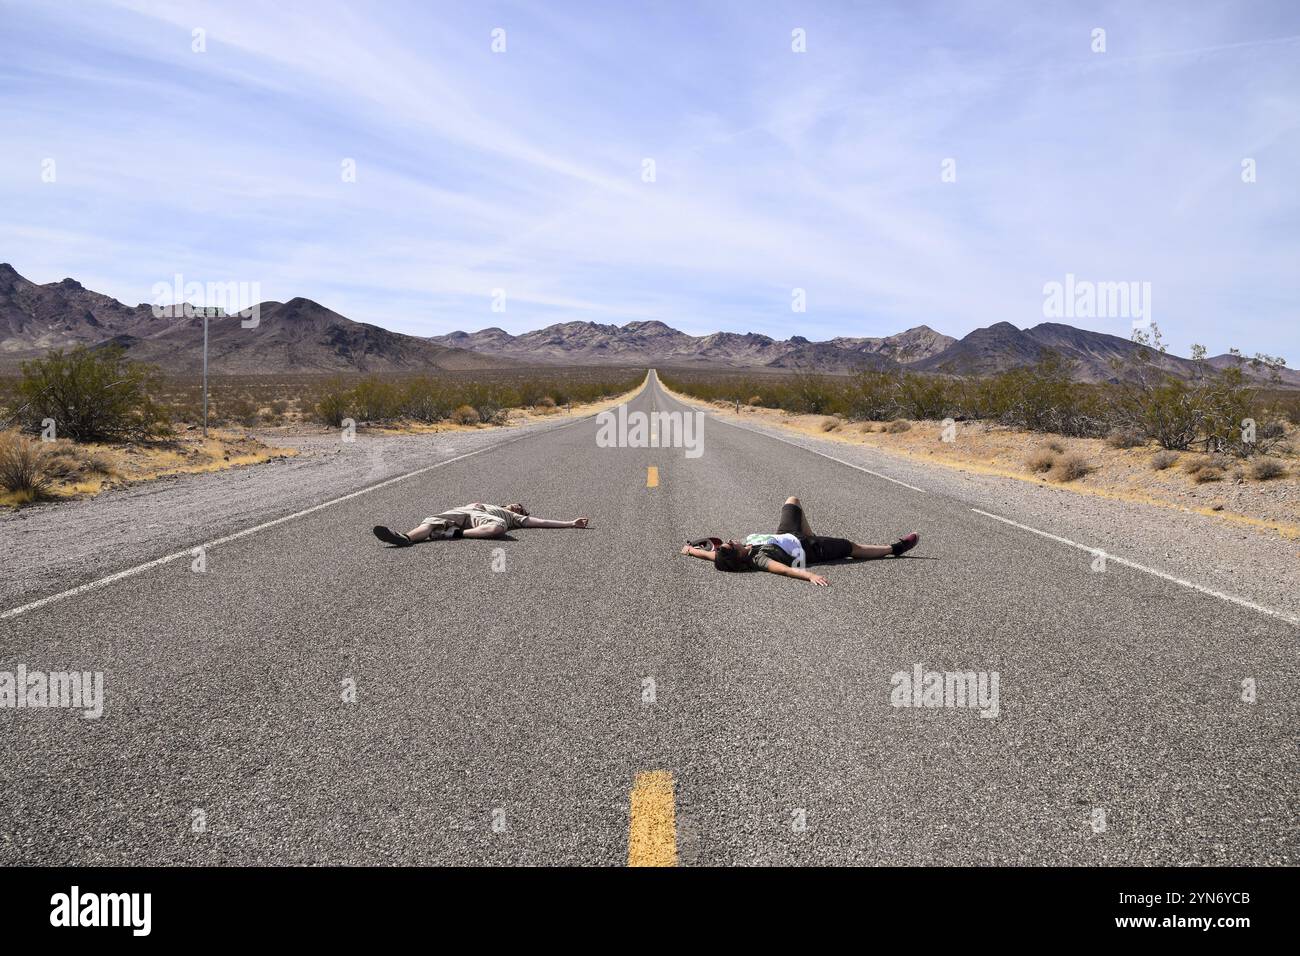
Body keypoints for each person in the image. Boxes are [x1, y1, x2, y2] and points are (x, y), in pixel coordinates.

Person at [679, 496, 918, 586]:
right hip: (808, 549)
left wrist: (690, 550)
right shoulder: (758, 559)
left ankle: (812, 534)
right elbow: (783, 570)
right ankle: (895, 548)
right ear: (739, 555)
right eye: (731, 545)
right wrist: (810, 576)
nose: (730, 540)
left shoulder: (727, 554)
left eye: (726, 543)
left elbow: (709, 554)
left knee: (792, 500)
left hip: (788, 532)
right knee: (851, 548)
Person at [373, 502, 590, 546]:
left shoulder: (511, 517)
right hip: (465, 511)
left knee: (498, 529)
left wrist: (571, 523)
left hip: (484, 521)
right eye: (517, 504)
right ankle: (405, 537)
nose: (518, 507)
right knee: (431, 522)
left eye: (521, 508)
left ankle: (455, 534)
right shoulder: (489, 502)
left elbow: (541, 522)